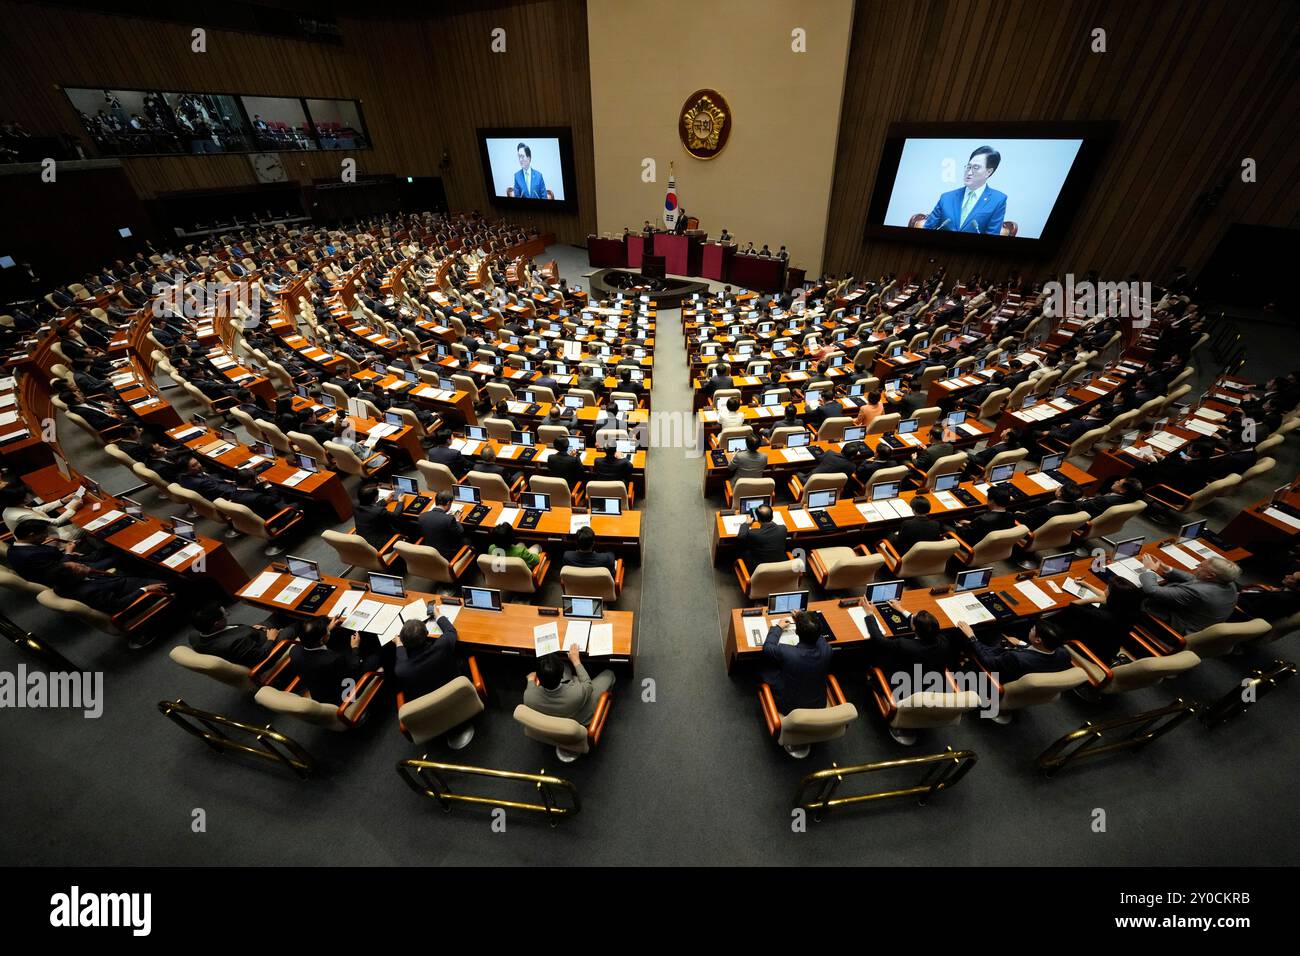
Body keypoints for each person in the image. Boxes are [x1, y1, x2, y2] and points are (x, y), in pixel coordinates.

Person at [761, 610, 832, 728]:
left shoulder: (787, 652)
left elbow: (767, 648)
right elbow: (818, 637)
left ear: (797, 632)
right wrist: (802, 619)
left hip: (790, 708)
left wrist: (778, 627)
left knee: (765, 668)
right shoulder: (827, 650)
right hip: (818, 704)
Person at [1047, 576, 1144, 661]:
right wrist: (1085, 584)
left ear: (1113, 597)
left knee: (1060, 615)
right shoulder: (1129, 609)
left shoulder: (1100, 616)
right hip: (1107, 646)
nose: (1105, 589)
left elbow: (1072, 606)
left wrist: (1093, 599)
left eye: (1107, 588)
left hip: (1089, 651)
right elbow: (1105, 595)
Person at [1137, 554, 1240, 634]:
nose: (1197, 566)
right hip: (1195, 618)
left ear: (1210, 575)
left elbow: (1152, 590)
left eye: (1201, 566)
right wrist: (1167, 568)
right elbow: (1195, 579)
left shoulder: (1199, 593)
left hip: (1174, 627)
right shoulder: (1229, 582)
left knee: (1133, 595)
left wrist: (1149, 570)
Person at [954, 618, 1072, 682]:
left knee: (964, 638)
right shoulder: (1064, 653)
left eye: (1032, 630)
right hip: (1021, 671)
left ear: (1038, 640)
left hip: (996, 678)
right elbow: (1039, 654)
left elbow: (988, 661)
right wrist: (1022, 643)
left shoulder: (1016, 658)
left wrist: (971, 636)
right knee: (997, 635)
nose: (1030, 630)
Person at [922, 146, 1007, 234]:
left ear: (988, 172)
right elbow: (928, 228)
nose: (969, 172)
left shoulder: (998, 200)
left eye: (976, 168)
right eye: (968, 167)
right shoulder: (946, 197)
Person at [524, 643, 616, 725]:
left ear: (538, 677)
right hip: (578, 717)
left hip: (553, 718)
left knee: (566, 666)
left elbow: (531, 680)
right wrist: (576, 661)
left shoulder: (528, 696)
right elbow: (588, 685)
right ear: (561, 677)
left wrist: (531, 680)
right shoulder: (577, 693)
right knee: (609, 674)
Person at [391, 601, 464, 701]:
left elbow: (402, 659)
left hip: (428, 711)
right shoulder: (443, 646)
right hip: (456, 696)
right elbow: (450, 631)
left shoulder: (402, 670)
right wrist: (437, 614)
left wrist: (399, 644)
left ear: (405, 644)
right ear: (427, 633)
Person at [288, 616, 364, 705]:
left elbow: (310, 638)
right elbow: (352, 671)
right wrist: (355, 647)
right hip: (342, 696)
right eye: (326, 630)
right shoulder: (333, 659)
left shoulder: (294, 650)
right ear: (322, 639)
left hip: (318, 693)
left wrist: (327, 630)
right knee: (373, 658)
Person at [189, 603, 278, 667]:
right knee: (291, 628)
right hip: (265, 649)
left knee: (279, 615)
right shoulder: (236, 643)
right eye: (225, 614)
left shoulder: (194, 636)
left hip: (251, 636)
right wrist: (271, 639)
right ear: (217, 624)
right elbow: (259, 656)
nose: (228, 614)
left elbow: (230, 631)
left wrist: (251, 629)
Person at [872, 608, 954, 677]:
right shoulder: (944, 641)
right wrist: (901, 609)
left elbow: (879, 639)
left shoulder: (904, 645)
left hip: (905, 687)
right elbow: (922, 624)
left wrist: (870, 614)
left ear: (914, 627)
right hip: (934, 684)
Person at [0, 485, 87, 542]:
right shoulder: (21, 516)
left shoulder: (8, 509)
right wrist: (73, 508)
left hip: (50, 532)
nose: (31, 495)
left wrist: (62, 501)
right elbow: (55, 522)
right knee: (85, 524)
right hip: (53, 538)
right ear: (20, 498)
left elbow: (38, 509)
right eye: (27, 494)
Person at [954, 484, 1020, 544]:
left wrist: (959, 527)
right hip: (997, 547)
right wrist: (971, 522)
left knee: (946, 527)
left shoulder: (983, 519)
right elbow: (993, 526)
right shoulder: (1010, 515)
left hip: (974, 548)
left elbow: (967, 535)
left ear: (991, 501)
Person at [416, 490, 465, 560]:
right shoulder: (449, 519)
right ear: (448, 503)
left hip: (428, 551)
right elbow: (460, 532)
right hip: (446, 555)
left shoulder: (422, 516)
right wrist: (457, 520)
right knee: (467, 541)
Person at [1019, 481, 1084, 531]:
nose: (1058, 487)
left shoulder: (1046, 510)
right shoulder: (1077, 506)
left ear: (1059, 494)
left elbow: (1027, 521)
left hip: (1032, 529)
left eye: (1060, 487)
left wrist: (1019, 514)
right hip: (1054, 531)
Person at [737, 504, 788, 568]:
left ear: (758, 519)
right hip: (780, 565)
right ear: (772, 517)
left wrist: (746, 523)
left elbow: (741, 537)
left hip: (760, 567)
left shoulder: (754, 533)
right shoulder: (783, 529)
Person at [353, 483, 402, 550]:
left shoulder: (356, 507)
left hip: (363, 542)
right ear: (375, 498)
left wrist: (385, 500)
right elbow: (395, 515)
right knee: (401, 524)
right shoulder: (379, 511)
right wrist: (400, 502)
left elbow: (370, 508)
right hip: (379, 545)